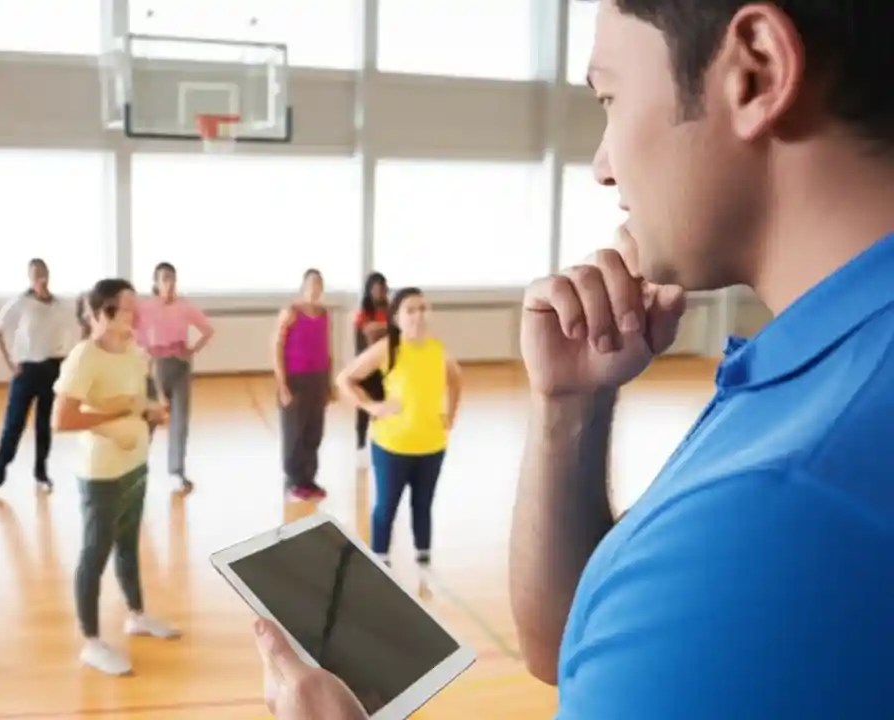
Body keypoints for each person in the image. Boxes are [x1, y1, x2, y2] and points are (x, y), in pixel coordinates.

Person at [253, 0, 894, 717]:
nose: (601, 166)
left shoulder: (777, 513)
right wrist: (568, 408)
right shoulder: (832, 371)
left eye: (609, 98)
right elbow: (567, 648)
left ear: (758, 71)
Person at [52, 278, 181, 677]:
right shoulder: (83, 357)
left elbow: (139, 403)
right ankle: (91, 641)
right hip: (101, 473)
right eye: (128, 308)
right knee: (95, 552)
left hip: (135, 463)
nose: (136, 314)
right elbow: (62, 419)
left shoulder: (135, 354)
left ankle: (136, 615)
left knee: (128, 542)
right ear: (103, 313)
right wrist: (117, 412)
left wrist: (151, 412)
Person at [336, 287, 460, 569]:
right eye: (411, 310)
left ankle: (423, 561)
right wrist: (372, 408)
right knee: (386, 507)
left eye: (423, 309)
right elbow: (345, 379)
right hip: (392, 447)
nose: (418, 315)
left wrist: (450, 414)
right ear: (397, 318)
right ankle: (379, 561)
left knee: (423, 506)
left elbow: (456, 380)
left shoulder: (438, 350)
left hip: (432, 445)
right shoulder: (387, 349)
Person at [0, 258, 77, 497]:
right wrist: (10, 363)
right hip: (27, 370)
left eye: (43, 273)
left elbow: (78, 325)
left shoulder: (60, 305)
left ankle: (41, 470)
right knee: (14, 424)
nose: (41, 279)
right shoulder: (21, 303)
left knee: (44, 424)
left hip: (52, 368)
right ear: (30, 278)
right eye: (36, 275)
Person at [135, 261, 215, 494]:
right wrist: (146, 356)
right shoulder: (146, 307)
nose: (169, 284)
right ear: (156, 283)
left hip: (180, 364)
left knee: (180, 421)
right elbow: (137, 335)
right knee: (149, 419)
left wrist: (192, 350)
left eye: (172, 279)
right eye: (164, 279)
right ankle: (137, 470)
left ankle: (176, 471)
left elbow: (207, 330)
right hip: (156, 366)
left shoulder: (184, 305)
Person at [272, 269, 334, 502]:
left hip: (317, 378)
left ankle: (308, 479)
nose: (315, 289)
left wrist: (328, 383)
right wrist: (283, 385)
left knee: (313, 431)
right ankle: (293, 482)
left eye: (320, 284)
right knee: (294, 433)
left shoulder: (325, 314)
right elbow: (276, 347)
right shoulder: (291, 313)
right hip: (295, 379)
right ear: (303, 286)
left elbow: (327, 348)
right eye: (312, 284)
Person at [351, 272, 389, 466]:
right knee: (364, 407)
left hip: (386, 366)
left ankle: (382, 442)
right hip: (367, 367)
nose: (379, 292)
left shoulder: (390, 309)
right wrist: (381, 328)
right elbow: (367, 333)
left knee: (385, 404)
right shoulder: (363, 313)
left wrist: (380, 328)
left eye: (382, 288)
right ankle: (360, 443)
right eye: (375, 288)